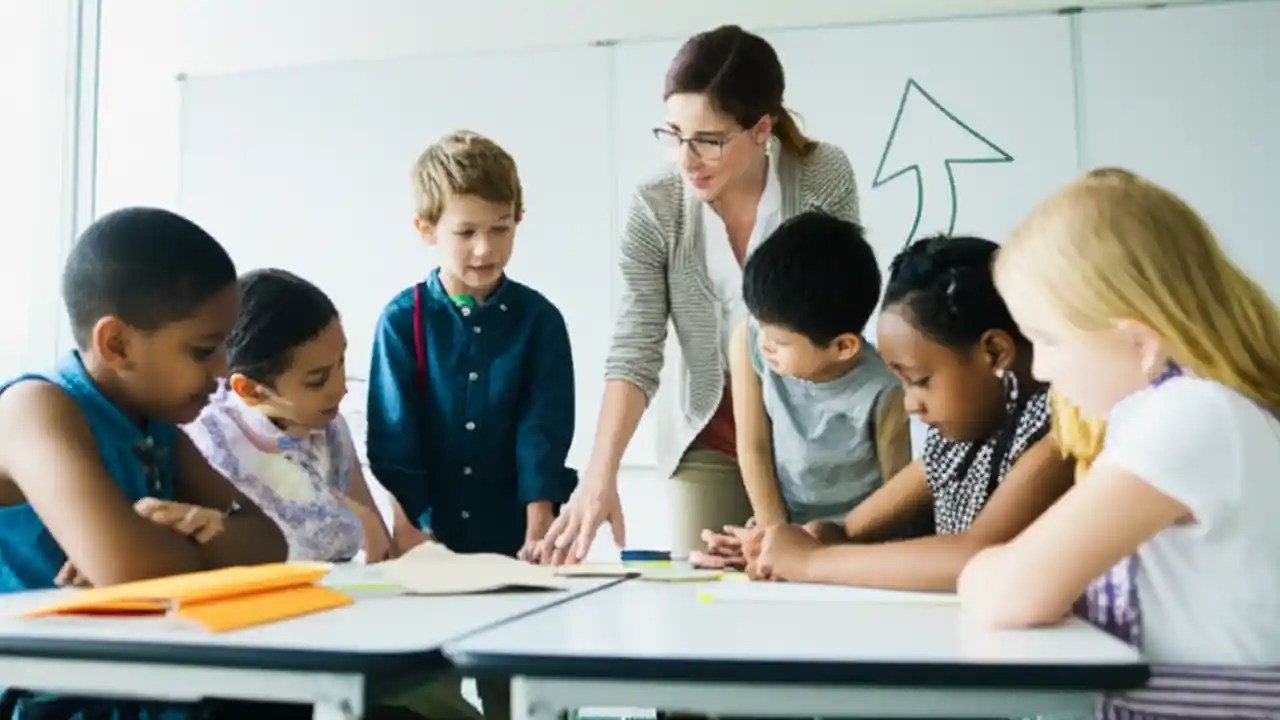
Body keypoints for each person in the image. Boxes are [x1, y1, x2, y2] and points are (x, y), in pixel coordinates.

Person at [959, 168, 1280, 717]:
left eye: (1047, 339)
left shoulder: (1191, 416)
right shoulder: (1195, 413)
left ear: (1139, 343)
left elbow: (1013, 593)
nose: (1041, 367)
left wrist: (978, 571)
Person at [539, 24, 861, 562]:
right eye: (673, 134)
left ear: (762, 129)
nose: (686, 160)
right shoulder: (656, 206)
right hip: (710, 432)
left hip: (813, 426)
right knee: (706, 588)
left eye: (708, 140)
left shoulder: (820, 175)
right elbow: (635, 345)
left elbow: (841, 308)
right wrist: (600, 474)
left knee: (809, 579)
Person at [0, 207, 286, 719]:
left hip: (137, 677)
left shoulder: (156, 426)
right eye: (203, 351)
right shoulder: (34, 410)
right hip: (47, 696)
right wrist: (201, 545)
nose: (223, 370)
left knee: (280, 699)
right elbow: (129, 569)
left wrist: (173, 547)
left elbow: (270, 545)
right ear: (117, 344)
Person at [742, 235, 1075, 591]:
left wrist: (811, 561)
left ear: (993, 352)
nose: (910, 404)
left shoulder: (1061, 433)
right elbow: (847, 532)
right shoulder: (959, 437)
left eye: (919, 381)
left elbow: (976, 555)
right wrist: (802, 540)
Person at [691, 212, 907, 571]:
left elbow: (897, 494)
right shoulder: (749, 343)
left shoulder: (884, 389)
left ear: (843, 347)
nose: (765, 344)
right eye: (760, 327)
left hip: (857, 541)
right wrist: (771, 537)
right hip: (786, 527)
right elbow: (754, 448)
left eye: (779, 340)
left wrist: (815, 548)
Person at [186, 268, 429, 564]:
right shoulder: (212, 447)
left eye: (342, 361)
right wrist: (354, 519)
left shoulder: (329, 423)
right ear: (250, 390)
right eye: (317, 380)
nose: (340, 388)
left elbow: (378, 545)